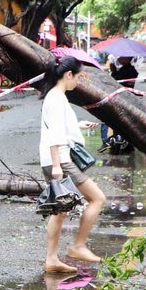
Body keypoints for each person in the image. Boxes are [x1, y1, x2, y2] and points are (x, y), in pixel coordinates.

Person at [39, 55, 107, 274]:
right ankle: (77, 246)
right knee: (97, 198)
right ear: (68, 75)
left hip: (57, 159)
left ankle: (52, 259)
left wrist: (78, 126)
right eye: (77, 77)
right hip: (60, 160)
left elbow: (57, 128)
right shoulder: (57, 98)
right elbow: (54, 136)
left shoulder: (55, 96)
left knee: (59, 210)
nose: (77, 82)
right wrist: (58, 166)